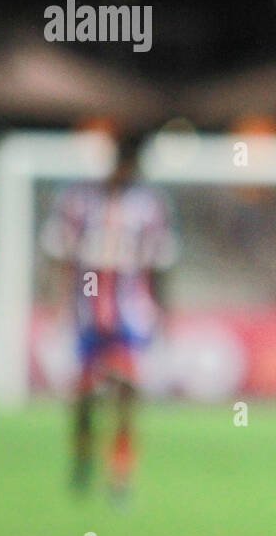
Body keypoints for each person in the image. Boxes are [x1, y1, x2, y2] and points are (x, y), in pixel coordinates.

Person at [41, 132, 177, 502]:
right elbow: (59, 253)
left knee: (126, 394)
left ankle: (119, 475)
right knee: (84, 397)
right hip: (87, 312)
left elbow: (161, 262)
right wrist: (58, 304)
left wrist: (163, 312)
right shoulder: (79, 201)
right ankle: (83, 459)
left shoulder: (149, 206)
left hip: (131, 315)